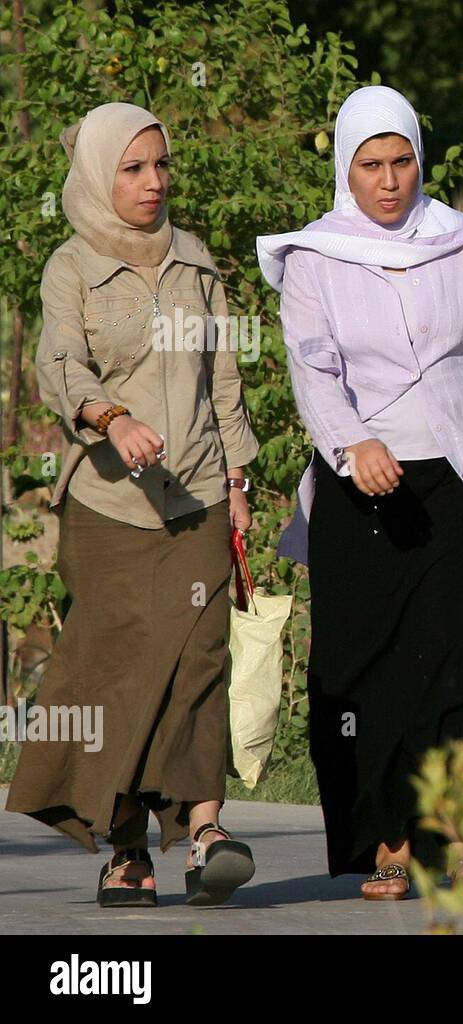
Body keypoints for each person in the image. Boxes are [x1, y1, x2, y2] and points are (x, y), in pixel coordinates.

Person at [255, 85, 463, 900]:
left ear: (421, 157)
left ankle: (460, 833)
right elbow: (312, 369)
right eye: (370, 165)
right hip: (361, 493)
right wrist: (353, 444)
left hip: (458, 480)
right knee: (369, 669)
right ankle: (388, 840)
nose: (388, 180)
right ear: (346, 170)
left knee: (461, 660)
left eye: (401, 160)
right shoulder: (315, 254)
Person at [6, 103, 261, 907]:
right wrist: (111, 419)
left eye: (161, 165)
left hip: (197, 497)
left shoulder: (195, 260)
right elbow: (62, 366)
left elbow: (223, 379)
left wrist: (238, 484)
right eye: (133, 168)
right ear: (98, 175)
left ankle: (205, 833)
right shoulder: (70, 267)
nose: (154, 183)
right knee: (119, 676)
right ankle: (125, 852)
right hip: (109, 507)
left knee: (199, 661)